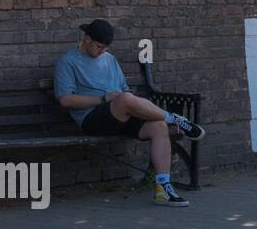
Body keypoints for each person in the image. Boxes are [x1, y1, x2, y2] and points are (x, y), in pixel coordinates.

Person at [54, 19, 204, 207]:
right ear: (87, 39)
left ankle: (162, 189)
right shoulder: (68, 62)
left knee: (158, 126)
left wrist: (125, 101)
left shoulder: (110, 60)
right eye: (99, 46)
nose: (102, 51)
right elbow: (65, 100)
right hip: (91, 119)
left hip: (119, 115)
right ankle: (174, 118)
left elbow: (124, 90)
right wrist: (104, 99)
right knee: (125, 99)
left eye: (106, 48)